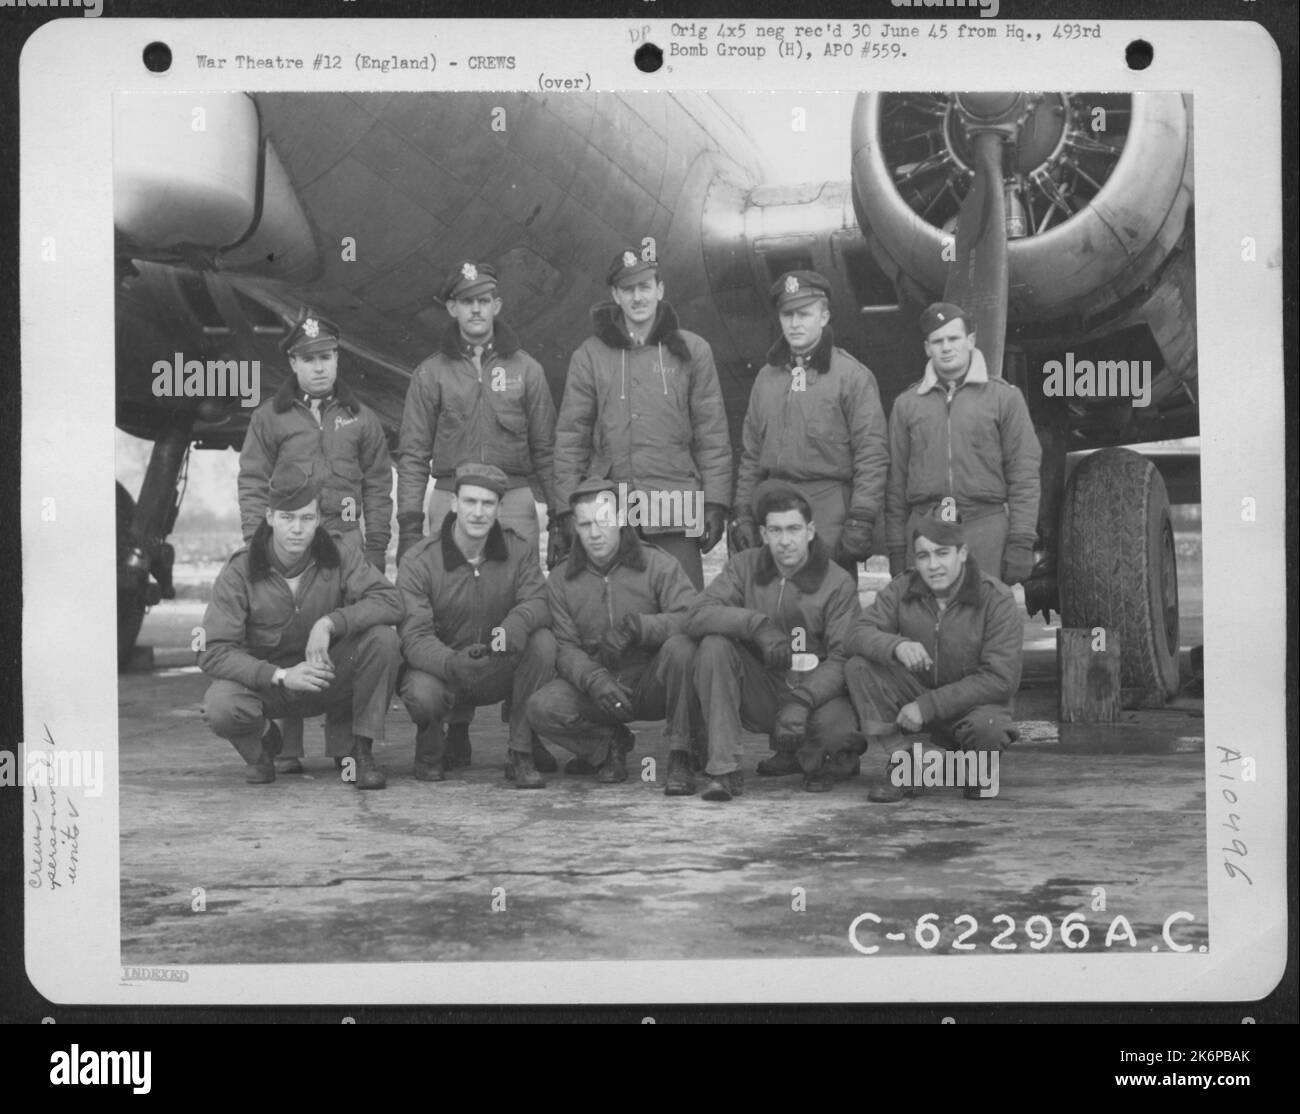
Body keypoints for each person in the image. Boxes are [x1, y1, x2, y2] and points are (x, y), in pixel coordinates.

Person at [200, 461, 402, 789]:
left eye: (307, 518)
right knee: (219, 705)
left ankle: (360, 749)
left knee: (383, 640)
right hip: (273, 687)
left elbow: (390, 601)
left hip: (328, 676)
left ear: (318, 519)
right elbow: (213, 650)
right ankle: (263, 743)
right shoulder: (240, 570)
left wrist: (330, 623)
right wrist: (279, 676)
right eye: (287, 518)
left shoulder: (338, 552)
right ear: (269, 518)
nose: (297, 529)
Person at [551, 243, 731, 589]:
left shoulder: (694, 351)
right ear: (615, 295)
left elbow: (712, 436)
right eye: (628, 289)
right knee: (619, 611)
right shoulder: (590, 356)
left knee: (682, 612)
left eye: (645, 287)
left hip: (675, 503)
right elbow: (571, 438)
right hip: (613, 506)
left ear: (660, 290)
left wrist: (715, 502)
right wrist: (564, 512)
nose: (638, 298)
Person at [686, 480, 864, 802]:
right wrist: (755, 625)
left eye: (794, 529)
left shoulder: (838, 582)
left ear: (810, 531)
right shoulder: (745, 566)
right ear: (764, 535)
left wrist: (803, 700)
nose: (785, 541)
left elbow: (843, 658)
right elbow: (697, 614)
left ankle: (829, 757)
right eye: (776, 531)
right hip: (766, 688)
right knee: (715, 645)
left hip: (815, 695)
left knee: (837, 730)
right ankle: (723, 770)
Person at [525, 478, 704, 793]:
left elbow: (692, 617)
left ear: (622, 518)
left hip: (654, 680)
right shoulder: (561, 578)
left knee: (682, 648)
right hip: (602, 684)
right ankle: (609, 746)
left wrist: (641, 627)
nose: (594, 533)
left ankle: (682, 753)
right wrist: (593, 678)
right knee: (542, 706)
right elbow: (565, 646)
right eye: (585, 524)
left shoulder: (658, 564)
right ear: (576, 528)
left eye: (604, 521)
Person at [844, 506, 1022, 802]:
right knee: (859, 666)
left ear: (962, 553)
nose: (933, 566)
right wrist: (896, 645)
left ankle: (950, 765)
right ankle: (903, 763)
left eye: (943, 554)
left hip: (970, 707)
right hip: (917, 689)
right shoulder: (903, 588)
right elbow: (856, 633)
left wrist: (928, 706)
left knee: (989, 730)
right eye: (923, 556)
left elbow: (1000, 679)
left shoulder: (997, 598)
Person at [396, 463, 558, 787]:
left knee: (542, 642)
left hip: (495, 659)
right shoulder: (419, 560)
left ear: (500, 508)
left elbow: (538, 601)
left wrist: (515, 624)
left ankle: (521, 750)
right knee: (422, 693)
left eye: (488, 504)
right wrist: (450, 662)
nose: (478, 512)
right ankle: (431, 745)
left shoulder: (519, 550)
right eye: (470, 502)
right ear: (454, 503)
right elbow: (414, 636)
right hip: (443, 669)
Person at [395, 261, 558, 562]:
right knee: (449, 595)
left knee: (521, 593)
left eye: (483, 301)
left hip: (513, 500)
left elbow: (546, 450)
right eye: (467, 302)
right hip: (451, 501)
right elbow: (413, 454)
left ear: (496, 306)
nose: (476, 310)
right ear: (452, 308)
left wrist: (560, 518)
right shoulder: (429, 374)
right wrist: (408, 525)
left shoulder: (528, 370)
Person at [731, 270, 888, 576]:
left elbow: (872, 456)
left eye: (805, 313)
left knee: (829, 611)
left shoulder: (852, 377)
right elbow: (751, 456)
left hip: (829, 516)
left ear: (825, 316)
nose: (795, 323)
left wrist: (861, 518)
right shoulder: (766, 379)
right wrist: (743, 513)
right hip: (775, 514)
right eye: (787, 314)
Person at [884, 301, 1042, 584]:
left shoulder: (1005, 398)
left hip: (984, 528)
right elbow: (896, 483)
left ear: (970, 341)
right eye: (938, 341)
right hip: (925, 531)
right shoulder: (906, 405)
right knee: (926, 625)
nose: (946, 347)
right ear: (927, 348)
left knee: (983, 621)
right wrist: (897, 547)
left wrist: (1021, 541)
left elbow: (1024, 475)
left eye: (953, 338)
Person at [238, 307, 393, 571]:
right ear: (293, 363)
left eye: (325, 357)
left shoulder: (363, 419)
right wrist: (257, 544)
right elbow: (253, 483)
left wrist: (377, 548)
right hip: (290, 545)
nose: (319, 368)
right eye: (309, 359)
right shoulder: (268, 418)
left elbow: (378, 487)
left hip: (347, 544)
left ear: (336, 358)